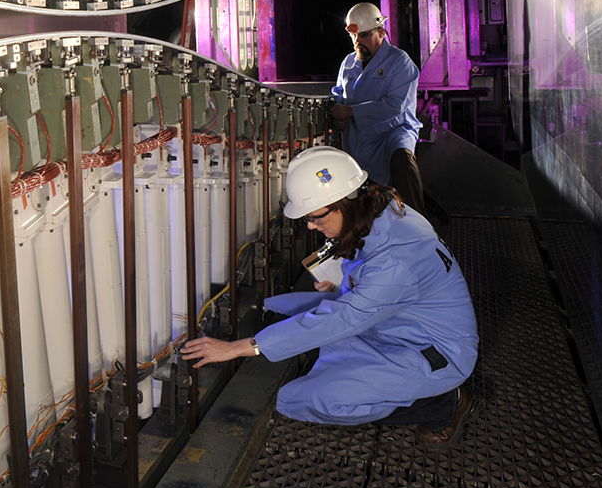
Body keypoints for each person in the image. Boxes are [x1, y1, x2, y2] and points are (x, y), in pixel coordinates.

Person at [182, 147, 478, 443]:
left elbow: (349, 313)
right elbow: (374, 274)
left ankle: (443, 404)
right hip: (398, 325)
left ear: (341, 204)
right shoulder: (379, 204)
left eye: (315, 217)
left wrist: (237, 348)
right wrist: (344, 278)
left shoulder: (397, 260)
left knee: (306, 399)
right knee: (287, 310)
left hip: (433, 351)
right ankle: (350, 367)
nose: (311, 225)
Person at [329, 3, 427, 215]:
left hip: (394, 131)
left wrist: (351, 112)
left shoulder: (399, 62)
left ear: (381, 32)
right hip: (360, 135)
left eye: (363, 35)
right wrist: (338, 118)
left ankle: (420, 226)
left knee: (402, 162)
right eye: (354, 36)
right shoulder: (348, 63)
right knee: (363, 195)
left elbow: (394, 106)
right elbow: (339, 94)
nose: (357, 41)